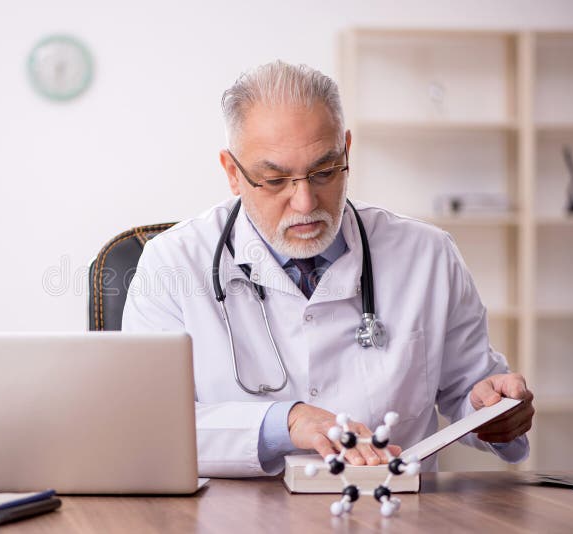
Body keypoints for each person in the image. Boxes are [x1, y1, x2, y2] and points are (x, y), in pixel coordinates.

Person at [121, 61, 534, 477]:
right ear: (233, 172)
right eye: (276, 180)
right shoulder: (171, 264)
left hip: (390, 512)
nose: (305, 203)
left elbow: (470, 390)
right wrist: (286, 422)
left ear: (346, 153)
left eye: (323, 172)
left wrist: (491, 407)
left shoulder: (428, 255)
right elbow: (147, 428)